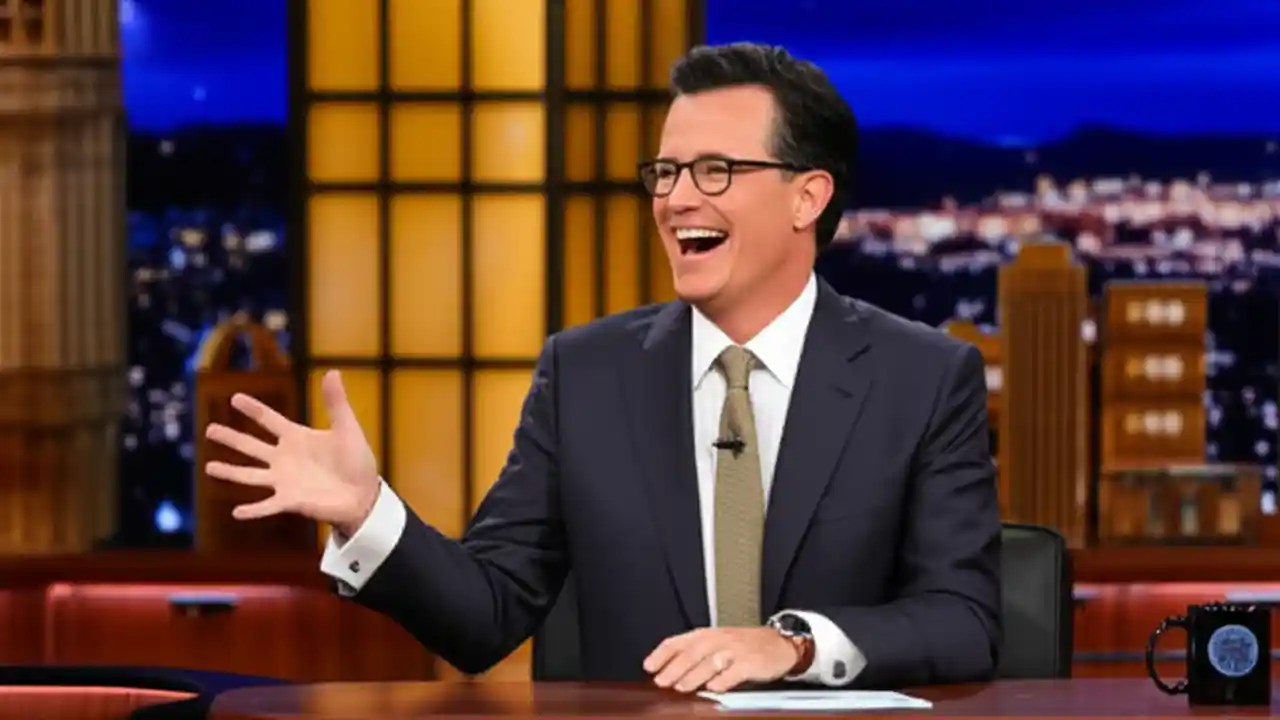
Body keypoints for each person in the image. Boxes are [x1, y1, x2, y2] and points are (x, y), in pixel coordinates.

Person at [205, 42, 1001, 693]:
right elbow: (487, 616)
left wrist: (790, 646)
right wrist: (366, 511)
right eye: (665, 172)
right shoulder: (585, 374)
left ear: (808, 197)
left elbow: (964, 619)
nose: (677, 199)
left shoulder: (922, 378)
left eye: (715, 171)